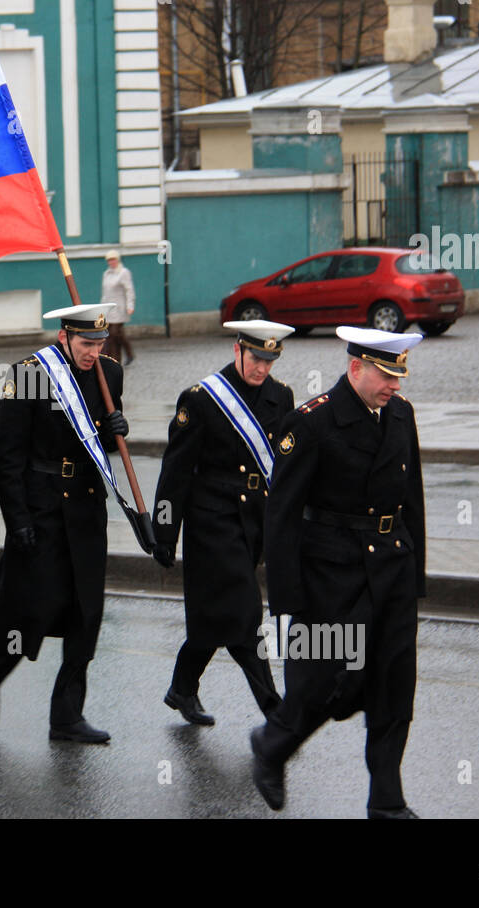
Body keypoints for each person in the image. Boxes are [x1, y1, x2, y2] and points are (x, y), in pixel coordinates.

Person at [250, 326, 426, 819]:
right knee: (321, 687)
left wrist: (417, 576)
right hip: (331, 575)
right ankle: (273, 746)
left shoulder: (401, 414)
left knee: (394, 687)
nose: (395, 385)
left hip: (391, 569)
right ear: (356, 369)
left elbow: (412, 500)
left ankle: (387, 800)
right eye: (386, 375)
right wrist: (286, 599)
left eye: (398, 375)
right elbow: (281, 516)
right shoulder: (310, 424)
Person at [0, 304, 128, 744]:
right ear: (64, 337)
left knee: (86, 614)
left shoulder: (109, 373)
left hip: (86, 508)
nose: (93, 353)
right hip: (42, 507)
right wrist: (16, 517)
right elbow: (8, 454)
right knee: (33, 608)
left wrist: (119, 430)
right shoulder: (29, 375)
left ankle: (66, 716)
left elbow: (102, 444)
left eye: (99, 344)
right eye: (85, 344)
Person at [153, 321, 295, 726]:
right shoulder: (201, 399)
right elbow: (175, 471)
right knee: (246, 613)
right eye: (255, 359)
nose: (261, 369)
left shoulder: (280, 396)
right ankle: (274, 707)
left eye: (270, 360)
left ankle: (182, 687)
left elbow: (285, 466)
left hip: (254, 522)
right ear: (238, 351)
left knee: (214, 617)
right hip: (211, 521)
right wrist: (165, 533)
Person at [100, 250, 136, 365]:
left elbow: (129, 290)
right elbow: (105, 293)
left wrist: (130, 305)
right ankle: (116, 359)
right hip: (109, 309)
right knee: (111, 335)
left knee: (115, 333)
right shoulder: (106, 274)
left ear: (118, 260)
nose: (112, 262)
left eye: (113, 259)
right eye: (109, 260)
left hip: (120, 308)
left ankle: (124, 355)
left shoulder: (124, 272)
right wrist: (101, 309)